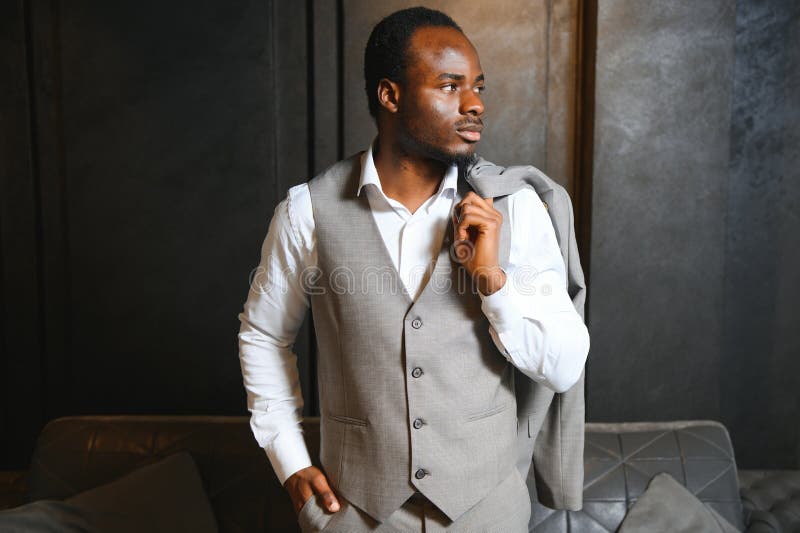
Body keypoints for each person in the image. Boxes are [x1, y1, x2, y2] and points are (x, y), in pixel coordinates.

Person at [237, 6, 590, 532]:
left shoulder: (514, 208)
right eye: (450, 86)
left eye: (478, 87)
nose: (473, 104)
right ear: (390, 95)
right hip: (355, 512)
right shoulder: (308, 211)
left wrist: (493, 282)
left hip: (487, 513)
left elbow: (563, 367)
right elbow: (264, 335)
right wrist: (290, 461)